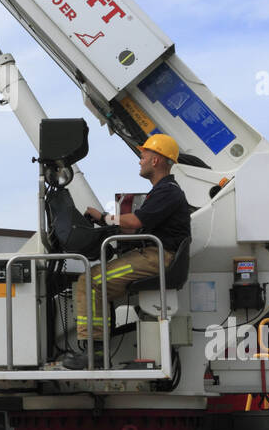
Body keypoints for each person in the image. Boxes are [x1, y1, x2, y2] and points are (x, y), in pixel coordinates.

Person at [74, 133, 191, 345]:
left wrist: (104, 217)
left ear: (155, 160)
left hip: (157, 258)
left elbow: (136, 222)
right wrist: (107, 225)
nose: (140, 160)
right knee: (96, 283)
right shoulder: (162, 192)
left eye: (144, 155)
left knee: (90, 281)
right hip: (154, 255)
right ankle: (97, 345)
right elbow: (138, 226)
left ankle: (93, 351)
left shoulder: (167, 192)